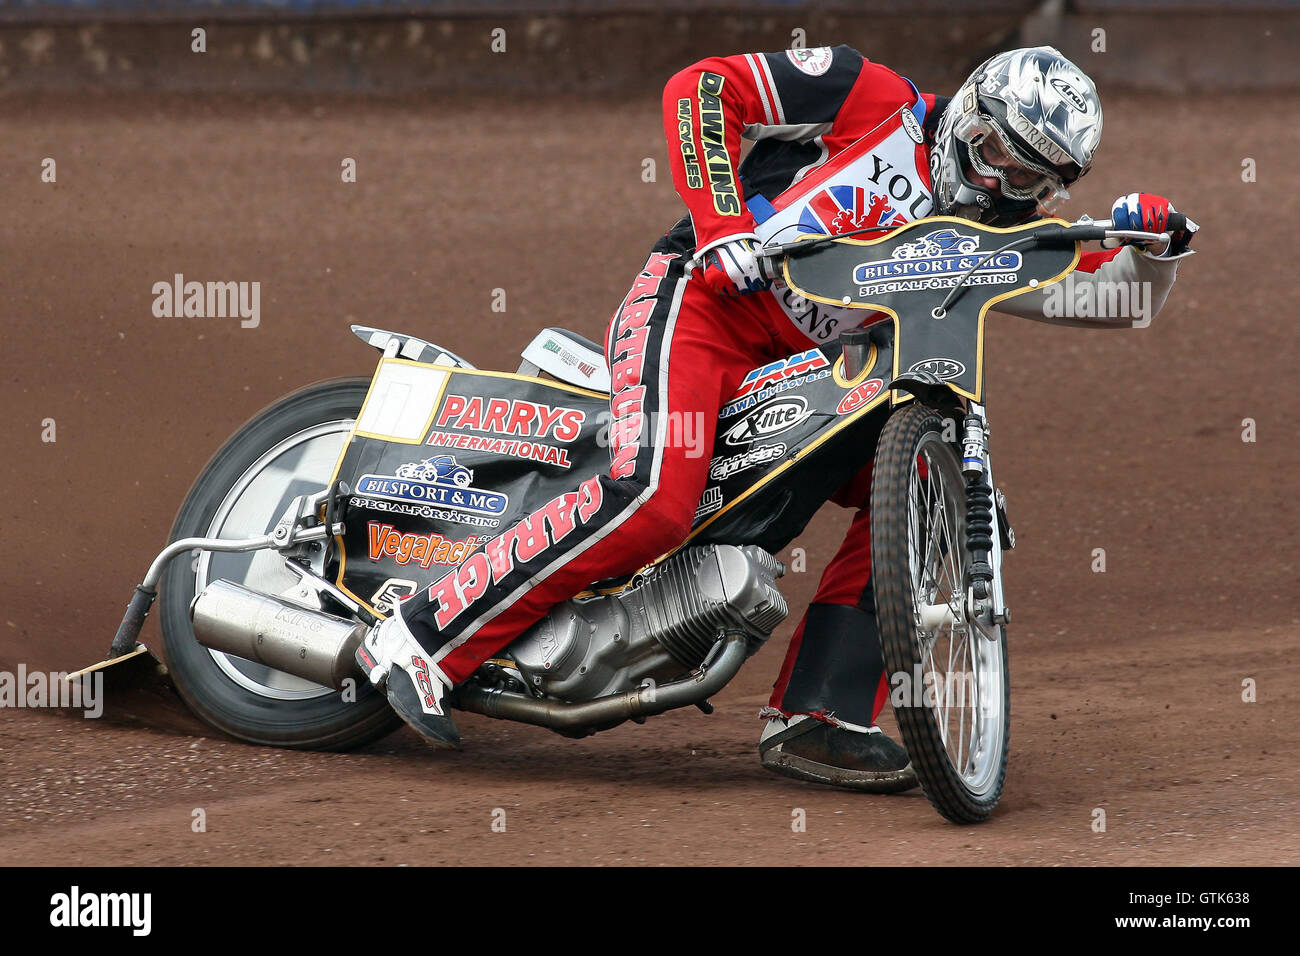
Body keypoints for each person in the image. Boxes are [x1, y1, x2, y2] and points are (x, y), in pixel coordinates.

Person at [355, 45, 1195, 793]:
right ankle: (420, 639)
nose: (991, 185)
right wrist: (725, 226)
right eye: (987, 154)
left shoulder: (998, 228)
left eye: (1024, 180)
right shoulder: (873, 97)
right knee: (654, 493)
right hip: (704, 306)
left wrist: (1158, 254)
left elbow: (1113, 301)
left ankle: (817, 719)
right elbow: (700, 87)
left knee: (925, 493)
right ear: (968, 112)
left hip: (814, 377)